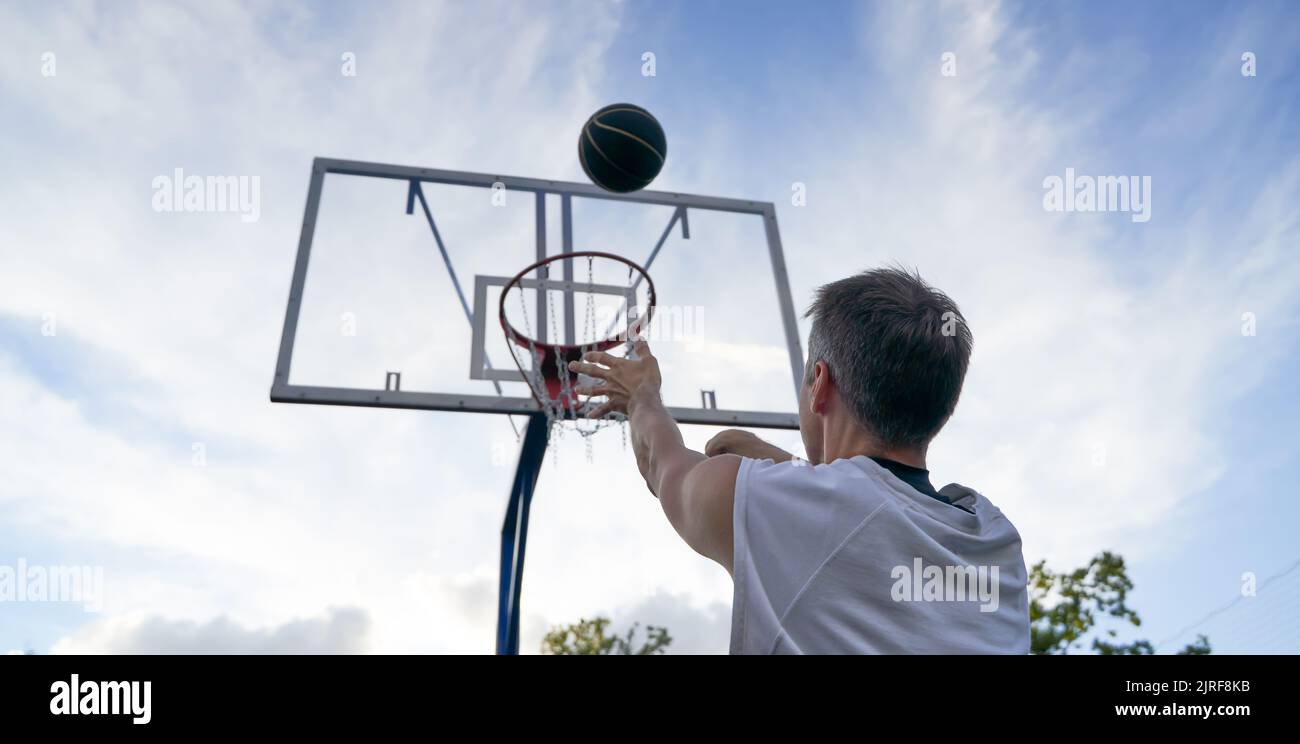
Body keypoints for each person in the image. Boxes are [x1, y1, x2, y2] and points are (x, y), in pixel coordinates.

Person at [568, 267, 1028, 654]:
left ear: (821, 383)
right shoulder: (995, 539)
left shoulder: (766, 505)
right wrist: (781, 463)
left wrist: (642, 394)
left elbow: (661, 463)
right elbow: (867, 514)